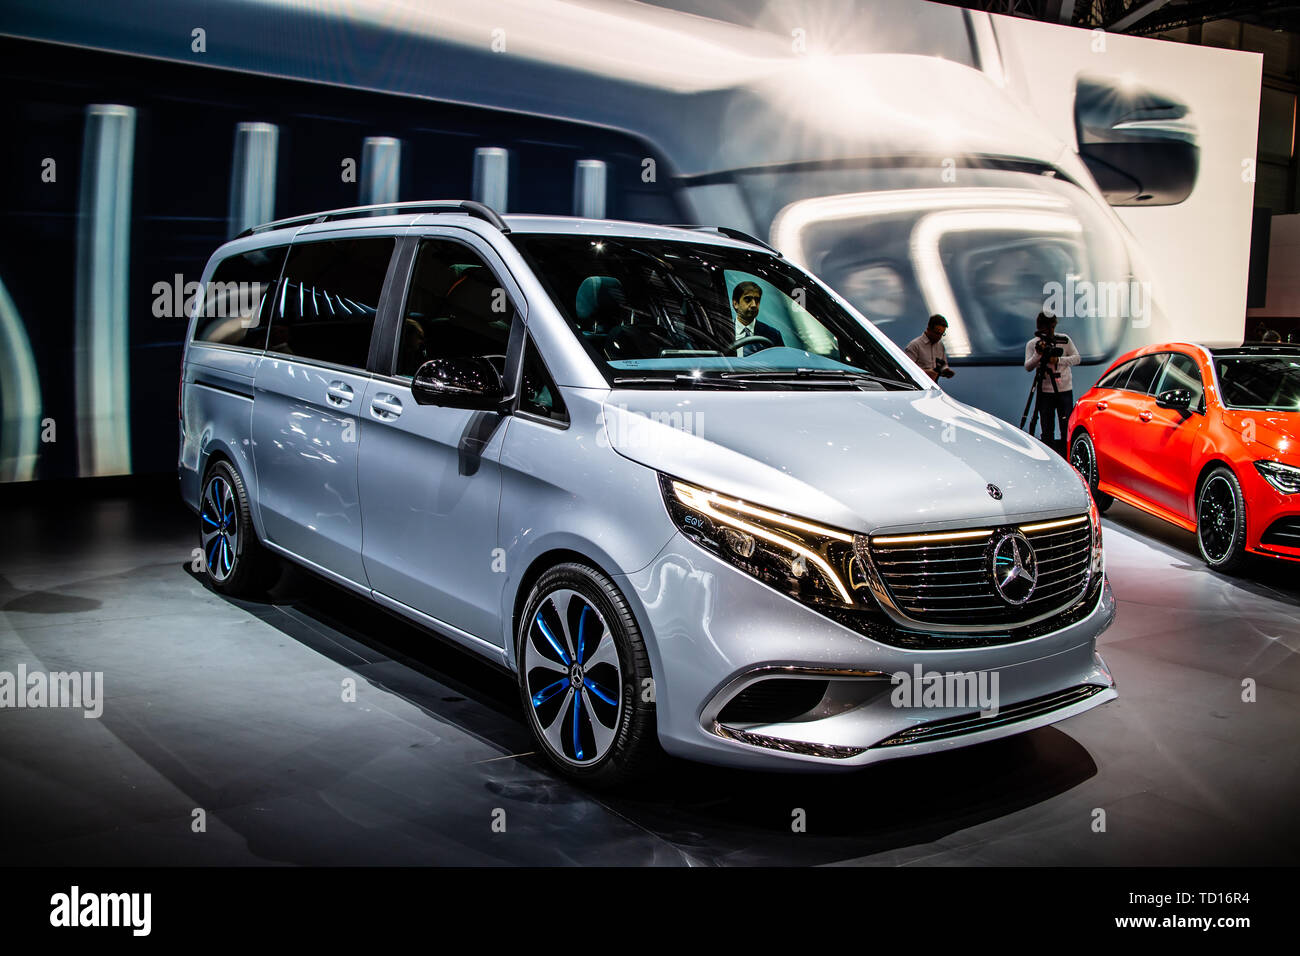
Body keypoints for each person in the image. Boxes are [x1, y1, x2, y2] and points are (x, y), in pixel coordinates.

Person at [1024, 311, 1080, 447]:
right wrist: (1038, 354)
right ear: (1040, 327)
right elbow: (1028, 366)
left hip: (1064, 390)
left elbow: (1077, 358)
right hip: (1044, 392)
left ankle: (1067, 455)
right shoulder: (1034, 345)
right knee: (1047, 428)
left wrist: (1058, 360)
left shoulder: (1064, 340)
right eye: (1047, 328)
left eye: (1053, 327)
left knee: (1066, 426)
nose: (1050, 331)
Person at [731, 281, 785, 356]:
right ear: (735, 303)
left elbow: (781, 363)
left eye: (757, 300)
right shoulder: (722, 330)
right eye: (747, 299)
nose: (754, 305)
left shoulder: (773, 335)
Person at [904, 314, 955, 382]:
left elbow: (943, 364)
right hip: (918, 385)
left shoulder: (940, 345)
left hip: (933, 384)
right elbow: (906, 369)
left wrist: (945, 371)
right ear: (929, 329)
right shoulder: (915, 345)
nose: (939, 337)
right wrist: (926, 373)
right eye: (937, 333)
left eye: (942, 334)